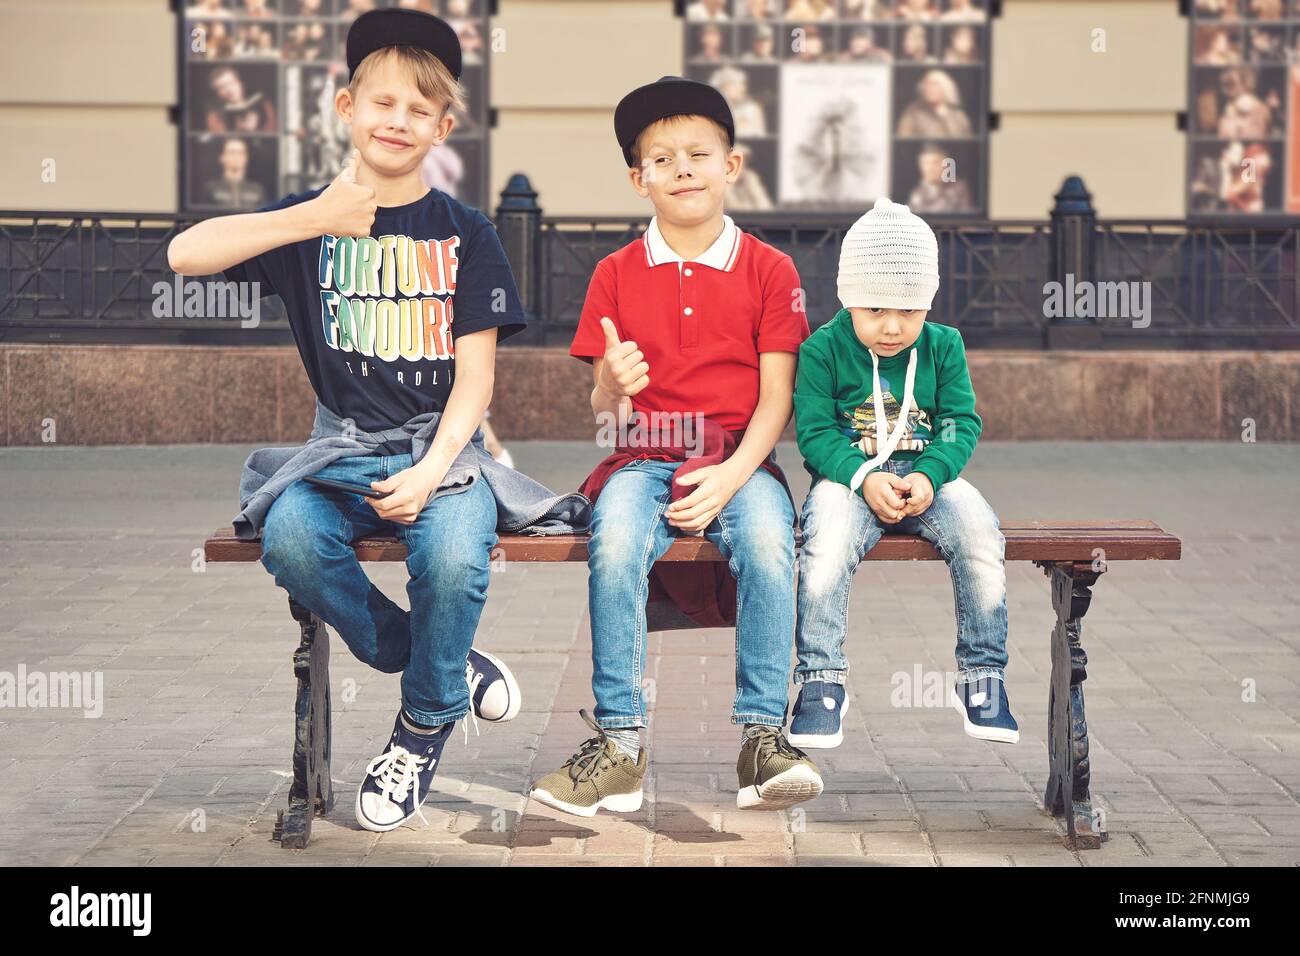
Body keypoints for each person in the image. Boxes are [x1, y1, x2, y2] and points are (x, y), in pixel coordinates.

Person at [168, 9, 589, 833]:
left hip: (444, 451)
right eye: (383, 102)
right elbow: (186, 255)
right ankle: (433, 664)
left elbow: (477, 381)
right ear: (347, 106)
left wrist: (433, 469)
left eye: (420, 109)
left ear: (444, 125)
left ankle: (421, 726)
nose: (399, 121)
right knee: (288, 539)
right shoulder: (305, 222)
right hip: (339, 450)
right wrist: (312, 219)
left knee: (458, 556)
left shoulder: (468, 234)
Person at [529, 75, 821, 816]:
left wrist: (730, 477)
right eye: (662, 158)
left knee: (767, 540)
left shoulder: (769, 269)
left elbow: (778, 398)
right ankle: (621, 744)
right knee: (617, 537)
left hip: (737, 451)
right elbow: (602, 401)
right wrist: (613, 387)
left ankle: (763, 736)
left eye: (699, 152)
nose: (683, 167)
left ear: (732, 164)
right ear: (639, 179)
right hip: (643, 454)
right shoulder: (615, 273)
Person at [789, 197, 1017, 750]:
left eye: (909, 312)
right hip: (848, 484)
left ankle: (982, 677)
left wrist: (931, 476)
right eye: (874, 311)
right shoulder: (822, 349)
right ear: (848, 298)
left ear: (927, 305)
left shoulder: (944, 346)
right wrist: (861, 478)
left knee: (981, 533)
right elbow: (814, 433)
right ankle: (821, 682)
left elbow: (960, 423)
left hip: (925, 481)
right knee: (825, 543)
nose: (892, 328)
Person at [896, 69, 972, 137]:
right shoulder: (912, 112)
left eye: (934, 84)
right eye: (926, 84)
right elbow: (903, 138)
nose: (928, 88)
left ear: (946, 88)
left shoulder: (959, 116)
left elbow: (967, 142)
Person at [205, 137, 268, 208]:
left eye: (241, 152)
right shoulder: (210, 189)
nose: (237, 156)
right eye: (232, 152)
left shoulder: (258, 190)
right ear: (222, 157)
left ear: (246, 157)